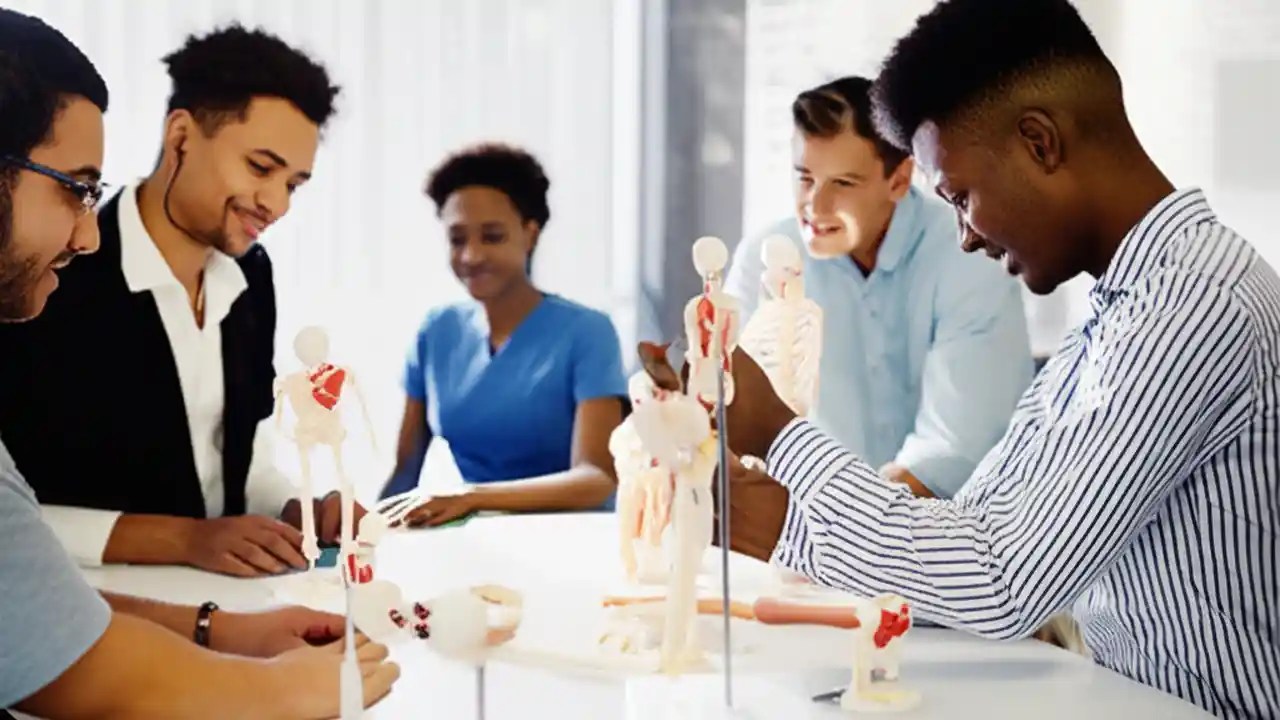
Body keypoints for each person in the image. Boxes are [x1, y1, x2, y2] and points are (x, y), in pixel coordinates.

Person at [717, 0, 1279, 717]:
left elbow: (1003, 580)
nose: (965, 236)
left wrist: (782, 439)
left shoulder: (1193, 304)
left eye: (961, 196)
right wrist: (789, 524)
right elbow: (976, 526)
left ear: (1040, 142)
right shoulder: (1119, 310)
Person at [0, 11, 397, 716]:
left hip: (209, 613)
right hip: (80, 636)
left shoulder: (250, 277)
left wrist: (295, 507)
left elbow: (232, 449)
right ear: (180, 135)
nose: (275, 203)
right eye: (261, 168)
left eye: (295, 184)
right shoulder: (43, 277)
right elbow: (18, 520)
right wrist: (182, 539)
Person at [725, 76, 1032, 498]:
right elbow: (735, 419)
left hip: (954, 523)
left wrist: (849, 524)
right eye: (805, 178)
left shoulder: (969, 254)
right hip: (815, 522)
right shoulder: (764, 257)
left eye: (843, 183)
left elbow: (954, 449)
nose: (815, 207)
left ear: (900, 180)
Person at [381, 143, 627, 526]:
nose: (472, 255)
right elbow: (405, 473)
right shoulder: (437, 331)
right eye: (457, 239)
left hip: (572, 537)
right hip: (474, 538)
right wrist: (359, 533)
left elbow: (596, 477)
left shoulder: (587, 332)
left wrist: (472, 497)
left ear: (530, 234)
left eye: (492, 236)